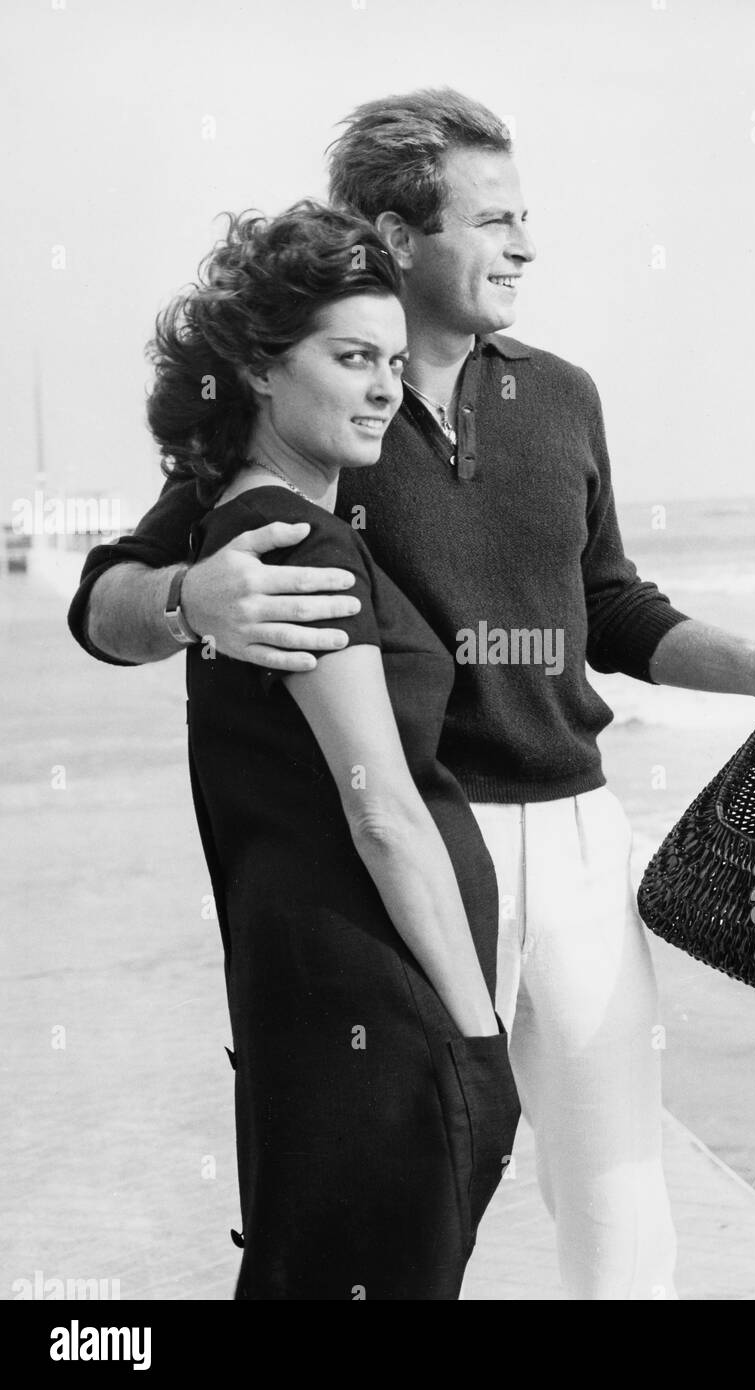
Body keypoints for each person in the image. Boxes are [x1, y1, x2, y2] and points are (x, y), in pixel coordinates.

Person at [68, 89, 755, 1301]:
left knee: (620, 1203)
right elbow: (105, 600)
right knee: (430, 1185)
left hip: (583, 842)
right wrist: (190, 601)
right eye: (493, 221)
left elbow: (612, 607)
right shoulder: (314, 428)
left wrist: (749, 664)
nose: (525, 248)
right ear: (395, 237)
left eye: (525, 217)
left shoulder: (561, 396)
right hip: (420, 845)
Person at [139, 198, 519, 1300]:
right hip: (382, 1015)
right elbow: (382, 809)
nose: (382, 388)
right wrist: (479, 1036)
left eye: (393, 361)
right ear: (258, 371)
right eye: (351, 357)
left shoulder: (242, 526)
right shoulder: (297, 542)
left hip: (316, 1003)